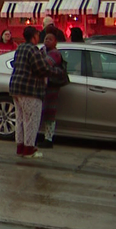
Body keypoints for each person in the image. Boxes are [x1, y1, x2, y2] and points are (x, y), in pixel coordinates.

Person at [9, 26, 51, 158]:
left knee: (20, 119)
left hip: (16, 87)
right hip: (29, 89)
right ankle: (29, 148)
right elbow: (41, 68)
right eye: (38, 35)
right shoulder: (33, 50)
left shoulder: (20, 48)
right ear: (33, 36)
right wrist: (53, 70)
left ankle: (20, 146)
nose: (39, 37)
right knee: (31, 120)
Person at [38, 32, 70, 149]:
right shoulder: (42, 50)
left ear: (55, 42)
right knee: (41, 112)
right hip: (42, 86)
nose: (47, 41)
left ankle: (48, 138)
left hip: (52, 87)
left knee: (49, 113)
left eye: (50, 39)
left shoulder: (55, 54)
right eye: (46, 38)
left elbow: (45, 64)